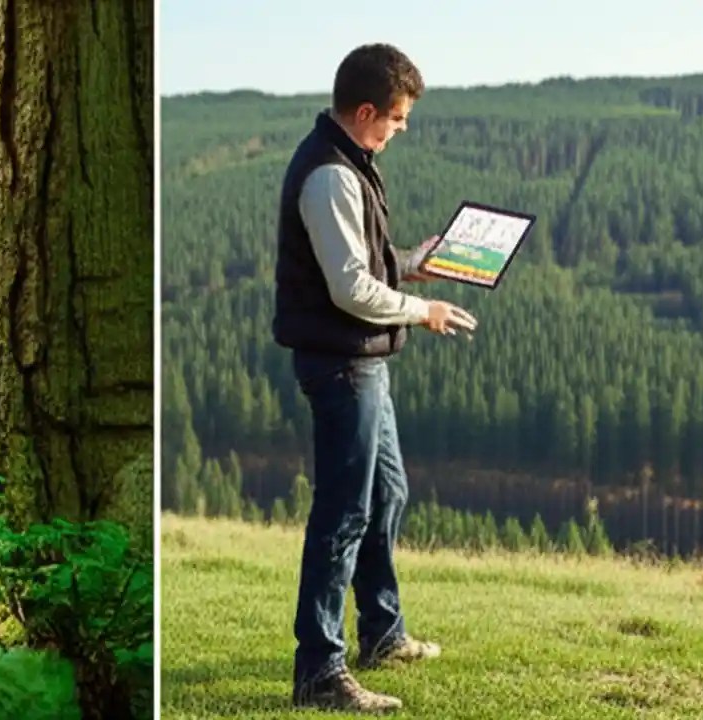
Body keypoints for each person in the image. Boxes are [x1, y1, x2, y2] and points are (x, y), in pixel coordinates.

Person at [272, 44, 478, 713]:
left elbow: (366, 258)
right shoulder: (330, 175)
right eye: (396, 117)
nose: (401, 128)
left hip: (364, 361)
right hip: (342, 365)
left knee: (387, 495)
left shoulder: (349, 162)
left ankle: (382, 633)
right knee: (343, 514)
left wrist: (411, 262)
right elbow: (350, 286)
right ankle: (319, 670)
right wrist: (424, 310)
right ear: (366, 112)